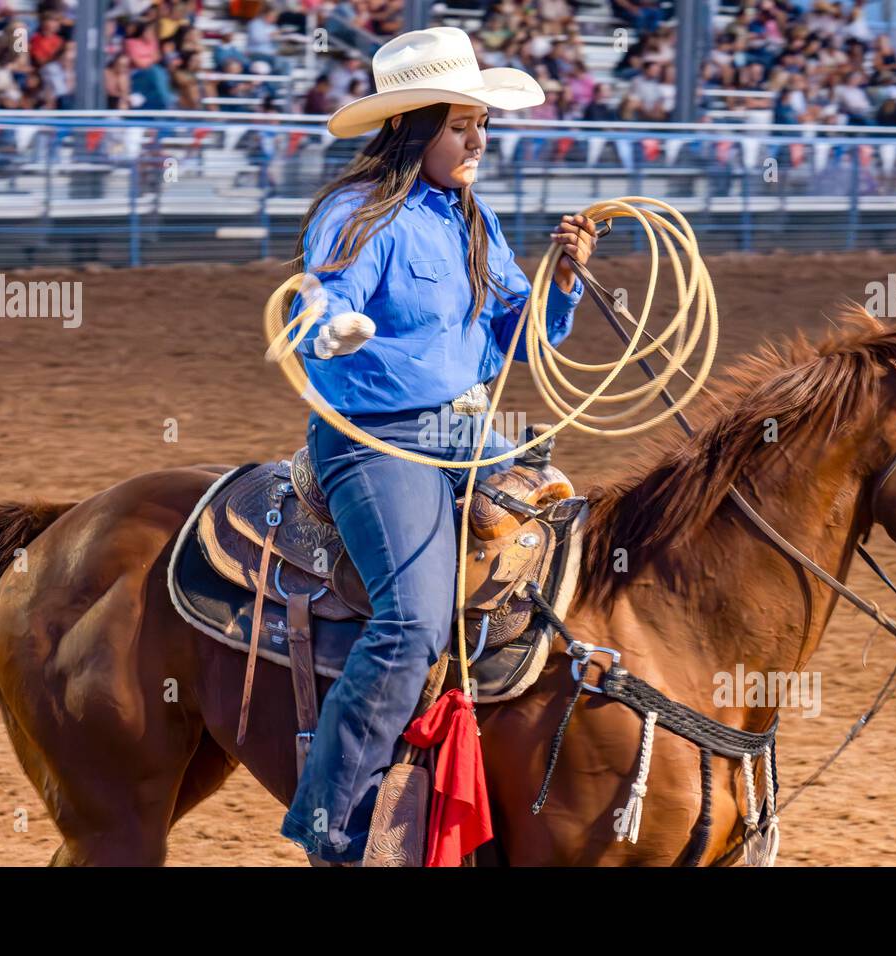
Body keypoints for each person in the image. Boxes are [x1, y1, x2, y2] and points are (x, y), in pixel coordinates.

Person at [279, 25, 597, 865]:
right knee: (413, 620)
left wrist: (561, 280)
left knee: (577, 546)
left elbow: (525, 337)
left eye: (481, 125)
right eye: (463, 125)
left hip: (470, 433)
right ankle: (331, 825)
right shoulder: (359, 214)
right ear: (416, 127)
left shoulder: (474, 217)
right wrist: (332, 326)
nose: (480, 140)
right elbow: (316, 299)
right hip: (377, 440)